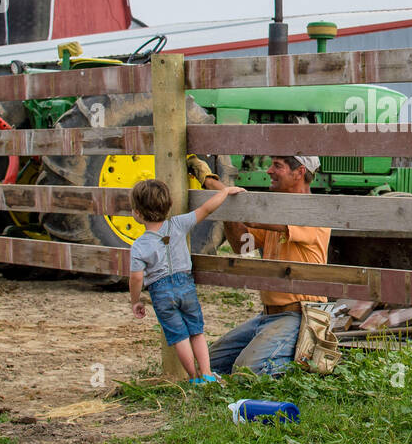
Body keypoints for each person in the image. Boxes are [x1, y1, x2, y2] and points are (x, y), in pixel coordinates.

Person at [189, 153, 330, 376]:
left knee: (247, 372)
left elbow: (251, 216)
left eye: (277, 166)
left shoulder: (312, 211)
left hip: (299, 316)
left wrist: (210, 181)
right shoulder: (276, 210)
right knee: (206, 364)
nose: (269, 171)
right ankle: (284, 354)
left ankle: (303, 365)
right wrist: (228, 212)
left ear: (300, 172)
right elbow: (242, 244)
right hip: (268, 316)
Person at [127, 177, 245, 384]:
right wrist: (225, 192)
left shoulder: (138, 246)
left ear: (137, 213)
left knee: (179, 337)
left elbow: (136, 277)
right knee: (196, 331)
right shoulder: (179, 224)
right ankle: (207, 374)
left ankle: (193, 377)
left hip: (161, 292)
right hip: (186, 286)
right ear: (170, 205)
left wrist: (135, 300)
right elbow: (207, 209)